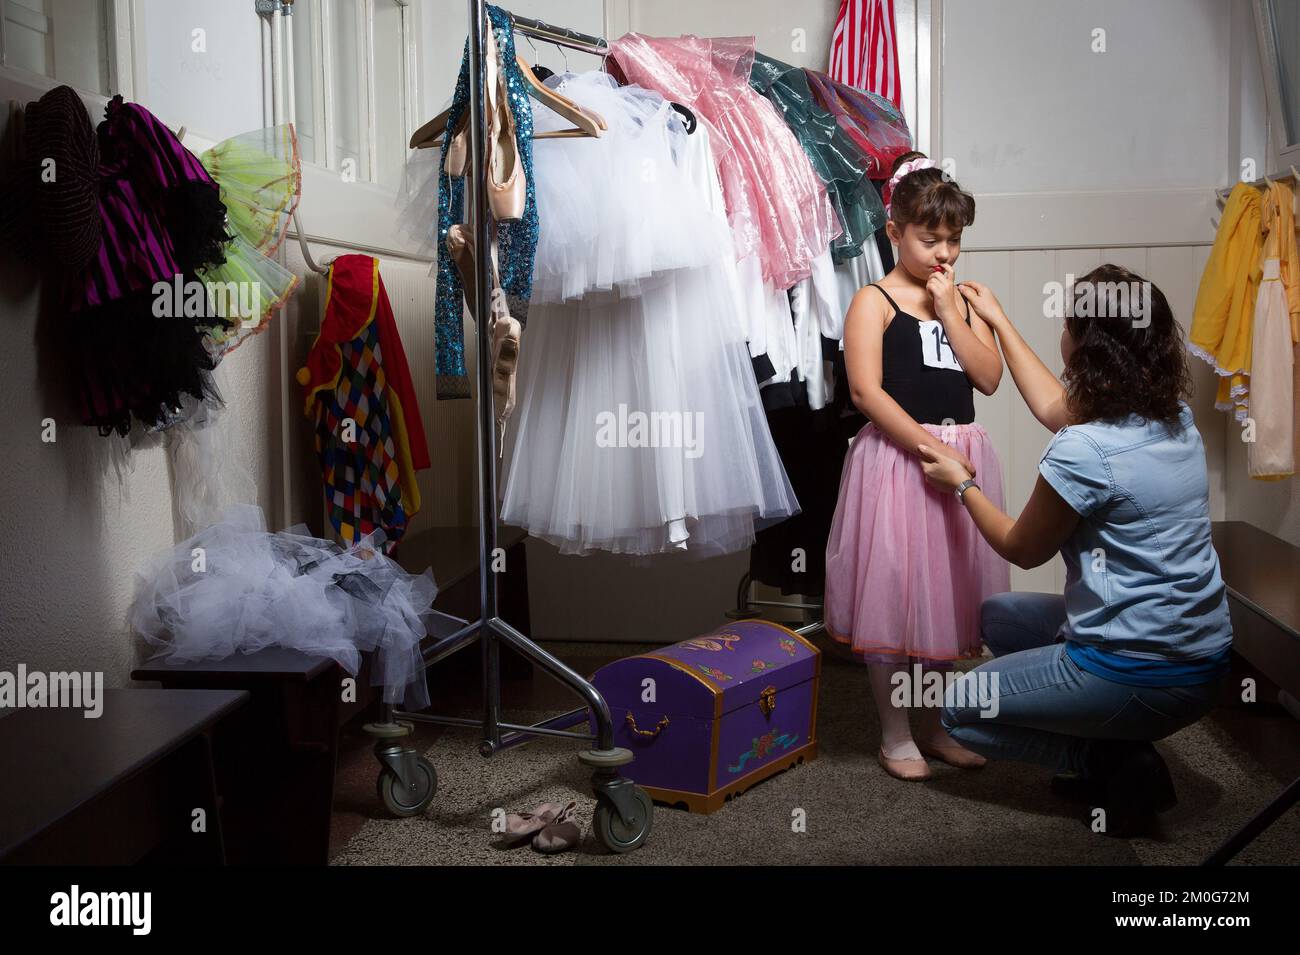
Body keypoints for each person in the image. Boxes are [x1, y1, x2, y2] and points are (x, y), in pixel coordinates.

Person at [921, 264, 1233, 836]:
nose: (1060, 332)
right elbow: (1053, 407)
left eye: (1067, 323)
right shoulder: (1174, 420)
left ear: (1085, 347)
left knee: (960, 709)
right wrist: (997, 319)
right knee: (1002, 616)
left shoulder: (1084, 451)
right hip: (1206, 659)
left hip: (1145, 668)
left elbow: (1021, 548)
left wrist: (962, 486)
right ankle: (1111, 730)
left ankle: (1106, 761)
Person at [824, 153, 1009, 782]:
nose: (943, 254)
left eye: (953, 241)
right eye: (929, 240)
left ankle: (934, 726)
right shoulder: (873, 301)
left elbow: (987, 377)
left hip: (958, 461)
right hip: (902, 464)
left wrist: (953, 311)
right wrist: (931, 450)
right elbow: (866, 394)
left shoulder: (956, 299)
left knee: (946, 597)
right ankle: (895, 733)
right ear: (893, 232)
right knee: (896, 595)